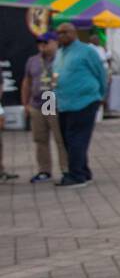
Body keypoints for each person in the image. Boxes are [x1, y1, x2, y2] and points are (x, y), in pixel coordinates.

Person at [51, 22, 107, 188]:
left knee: (76, 139)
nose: (61, 36)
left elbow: (101, 73)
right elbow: (55, 77)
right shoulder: (60, 53)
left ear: (74, 33)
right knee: (68, 139)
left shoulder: (87, 51)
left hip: (85, 101)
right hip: (64, 103)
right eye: (59, 33)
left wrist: (102, 95)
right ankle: (83, 171)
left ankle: (76, 176)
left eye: (65, 32)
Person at [21, 31, 68, 182]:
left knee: (60, 138)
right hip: (37, 103)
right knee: (40, 139)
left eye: (46, 43)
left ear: (55, 43)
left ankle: (66, 169)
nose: (42, 46)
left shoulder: (62, 59)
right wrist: (25, 104)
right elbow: (26, 82)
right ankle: (44, 170)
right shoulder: (33, 60)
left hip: (54, 101)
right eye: (40, 43)